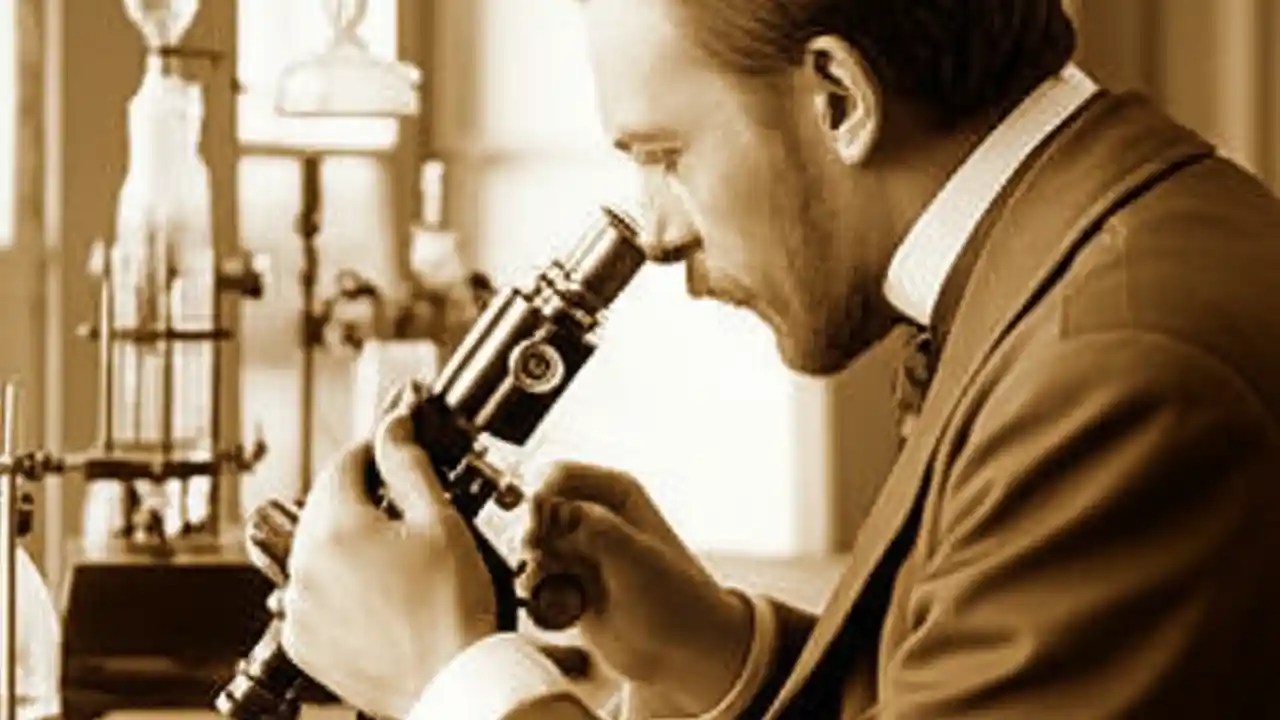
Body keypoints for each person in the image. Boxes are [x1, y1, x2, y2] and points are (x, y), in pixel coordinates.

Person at [280, 0, 1280, 718]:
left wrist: (447, 680)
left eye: (663, 155)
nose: (657, 232)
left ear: (838, 96)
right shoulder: (1076, 256)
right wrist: (720, 654)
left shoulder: (1117, 373)